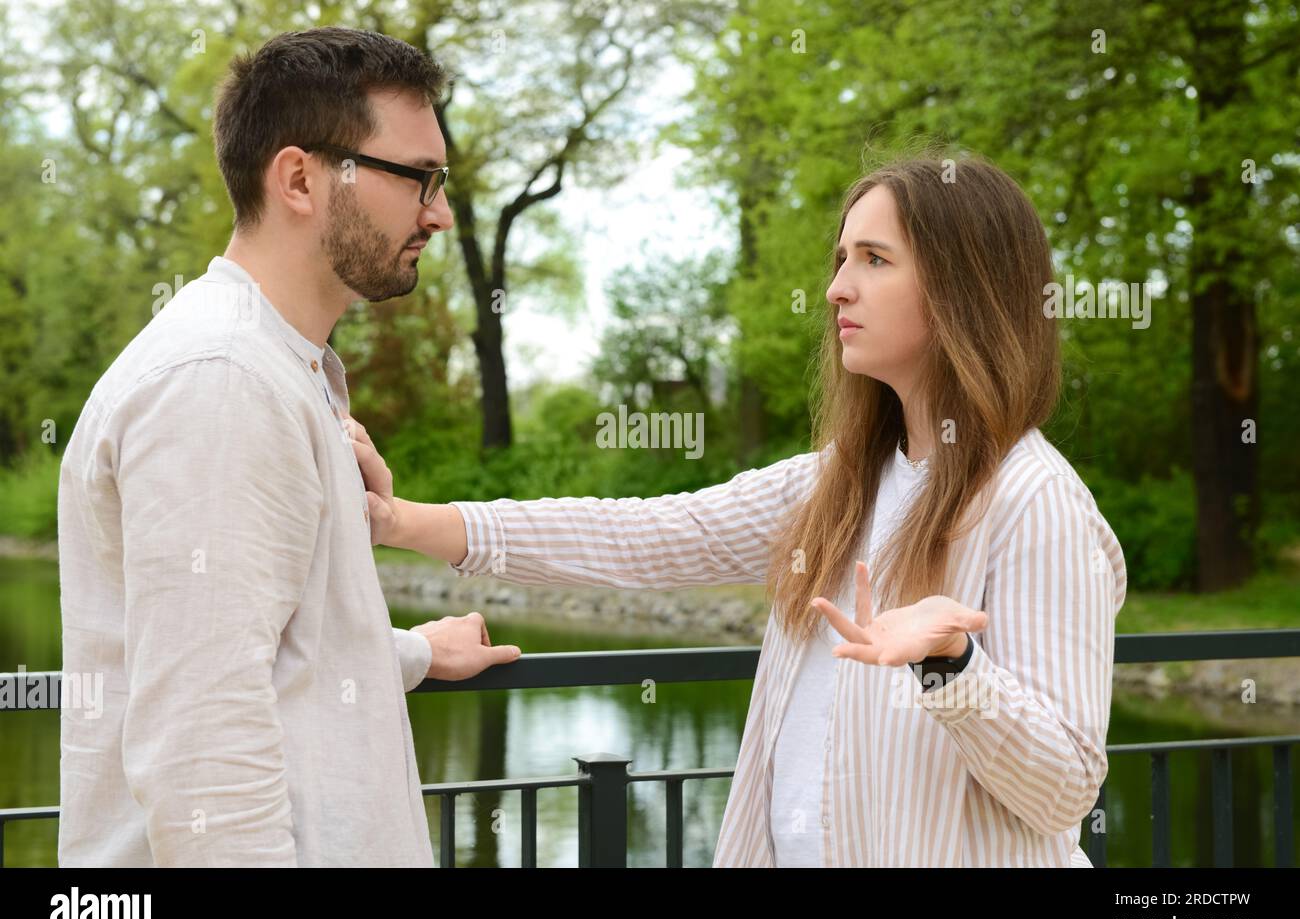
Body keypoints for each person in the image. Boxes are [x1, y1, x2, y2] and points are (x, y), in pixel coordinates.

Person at [351, 150, 1127, 867]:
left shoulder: (1037, 503)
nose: (836, 289)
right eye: (841, 259)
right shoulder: (838, 482)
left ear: (964, 289)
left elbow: (1064, 790)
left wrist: (953, 666)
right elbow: (644, 537)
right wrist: (401, 522)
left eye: (874, 259)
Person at [56, 27, 518, 868]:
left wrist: (413, 651)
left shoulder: (272, 366)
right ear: (302, 178)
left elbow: (255, 650)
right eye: (419, 177)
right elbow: (204, 748)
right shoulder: (222, 379)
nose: (439, 212)